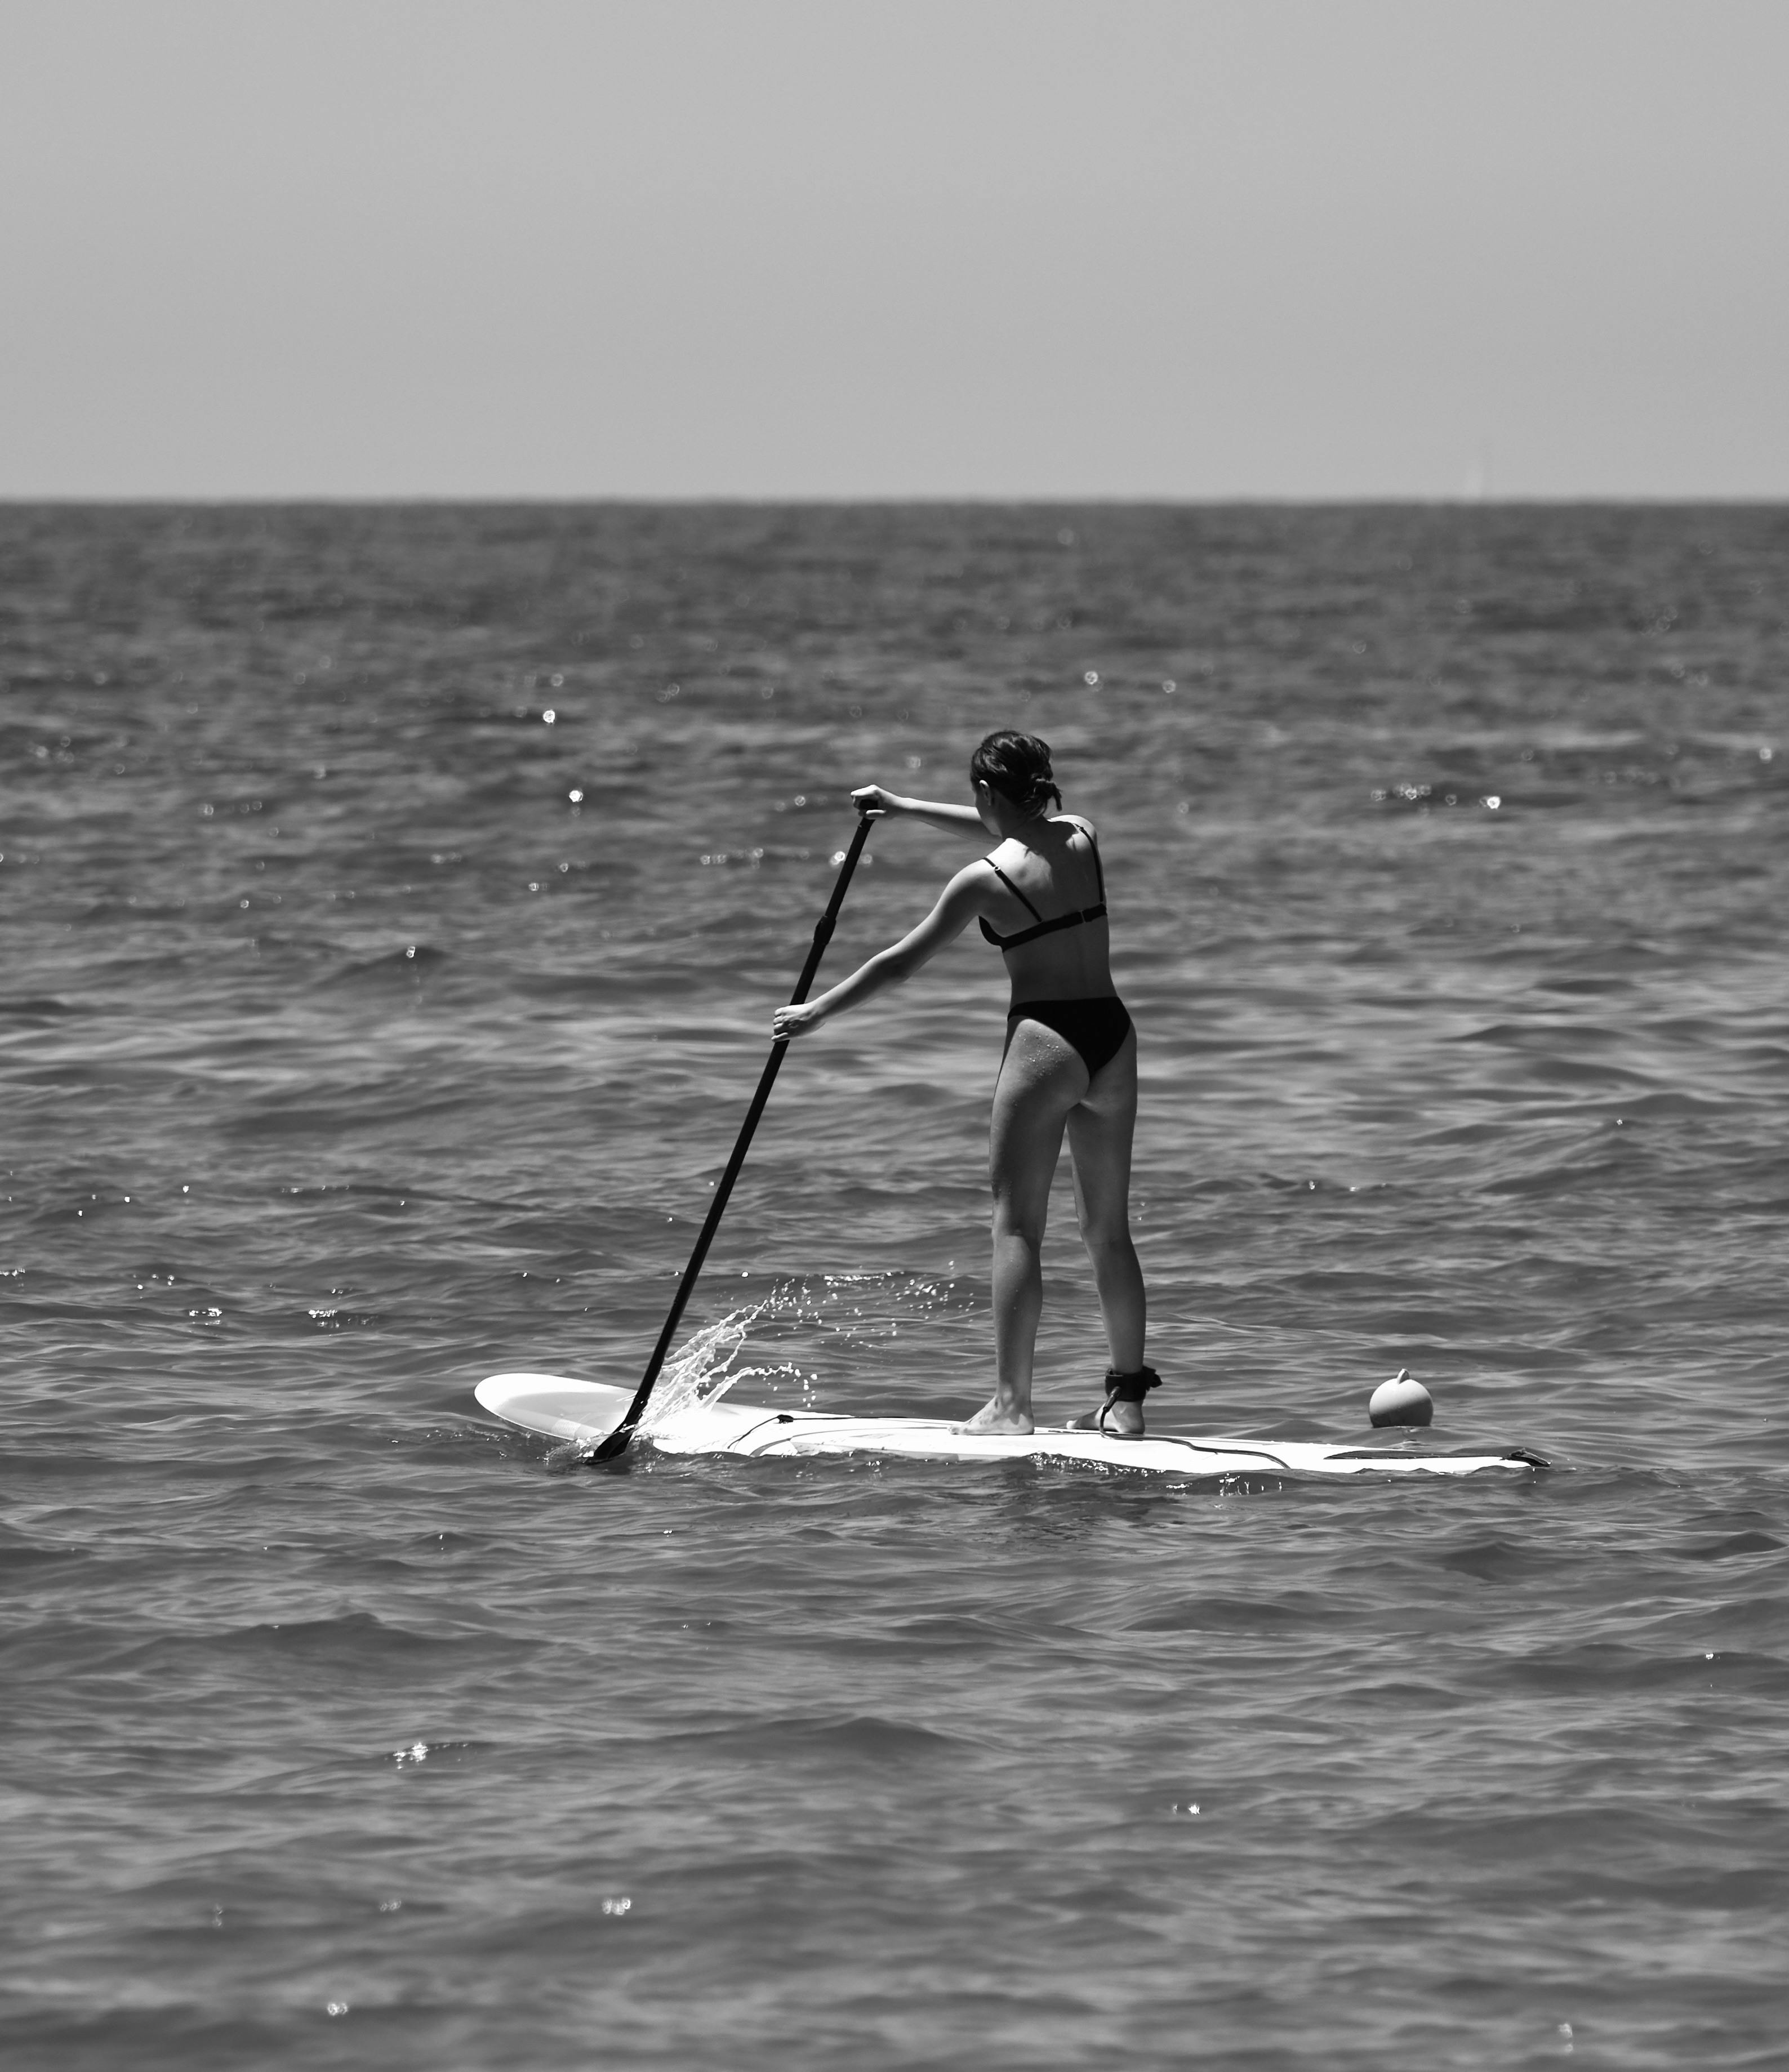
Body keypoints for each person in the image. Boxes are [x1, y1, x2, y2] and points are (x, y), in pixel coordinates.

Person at [771, 730, 1158, 1436]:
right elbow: (1014, 826)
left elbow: (898, 963)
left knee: (1016, 1228)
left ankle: (1011, 1407)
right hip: (1113, 1037)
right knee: (1107, 1230)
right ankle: (1126, 1402)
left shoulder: (981, 880)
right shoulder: (1081, 834)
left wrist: (817, 1011)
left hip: (1045, 1043)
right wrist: (901, 807)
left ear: (985, 793)